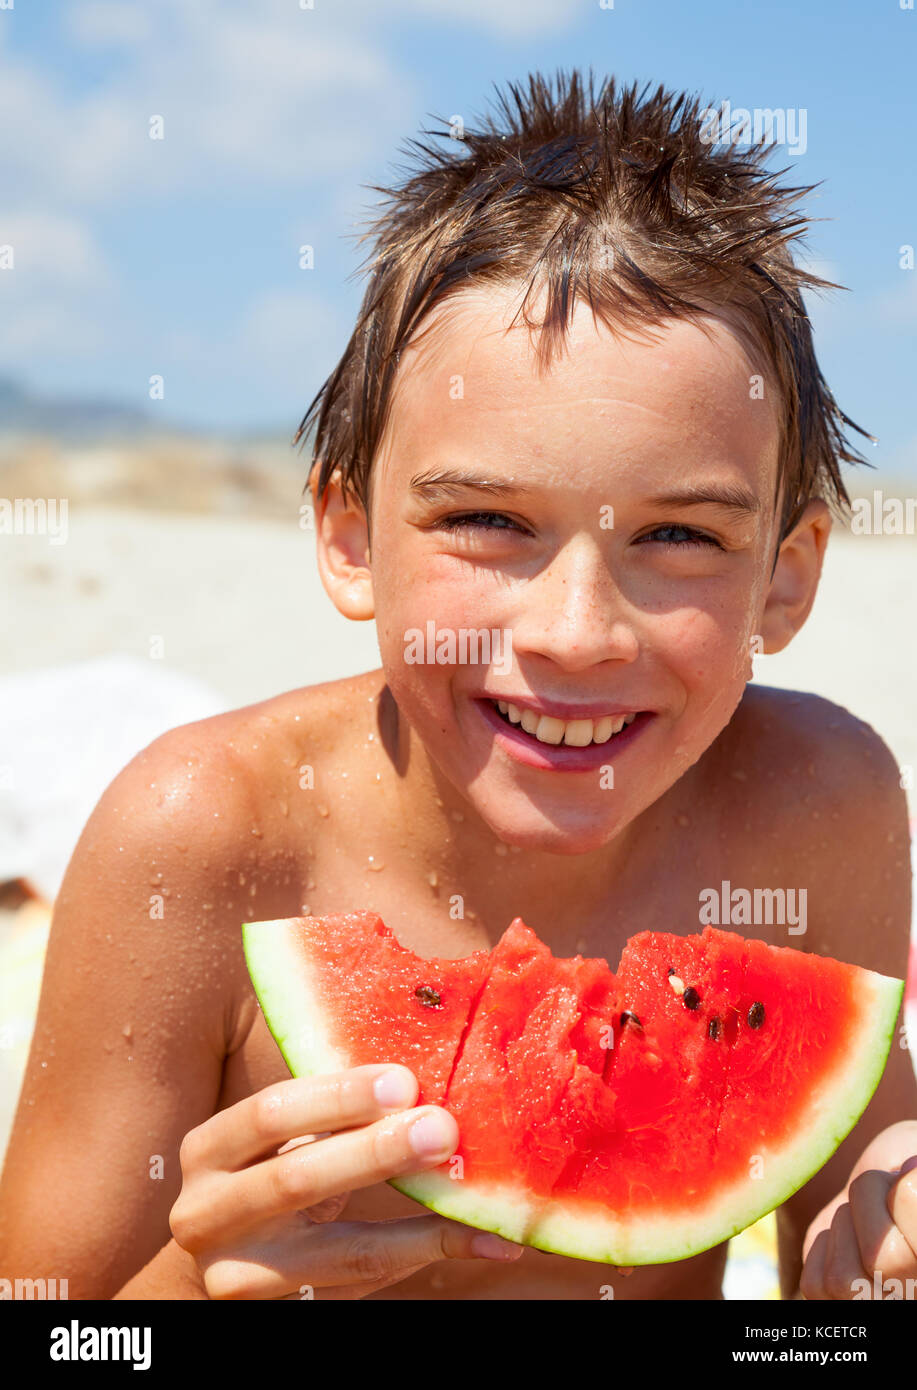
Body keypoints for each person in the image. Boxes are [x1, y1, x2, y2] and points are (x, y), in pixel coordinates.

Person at [1, 69, 914, 1301]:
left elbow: (837, 1253)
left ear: (784, 581)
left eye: (680, 536)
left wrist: (876, 1261)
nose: (578, 633)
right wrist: (181, 1293)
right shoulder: (200, 839)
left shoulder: (821, 810)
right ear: (347, 538)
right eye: (485, 519)